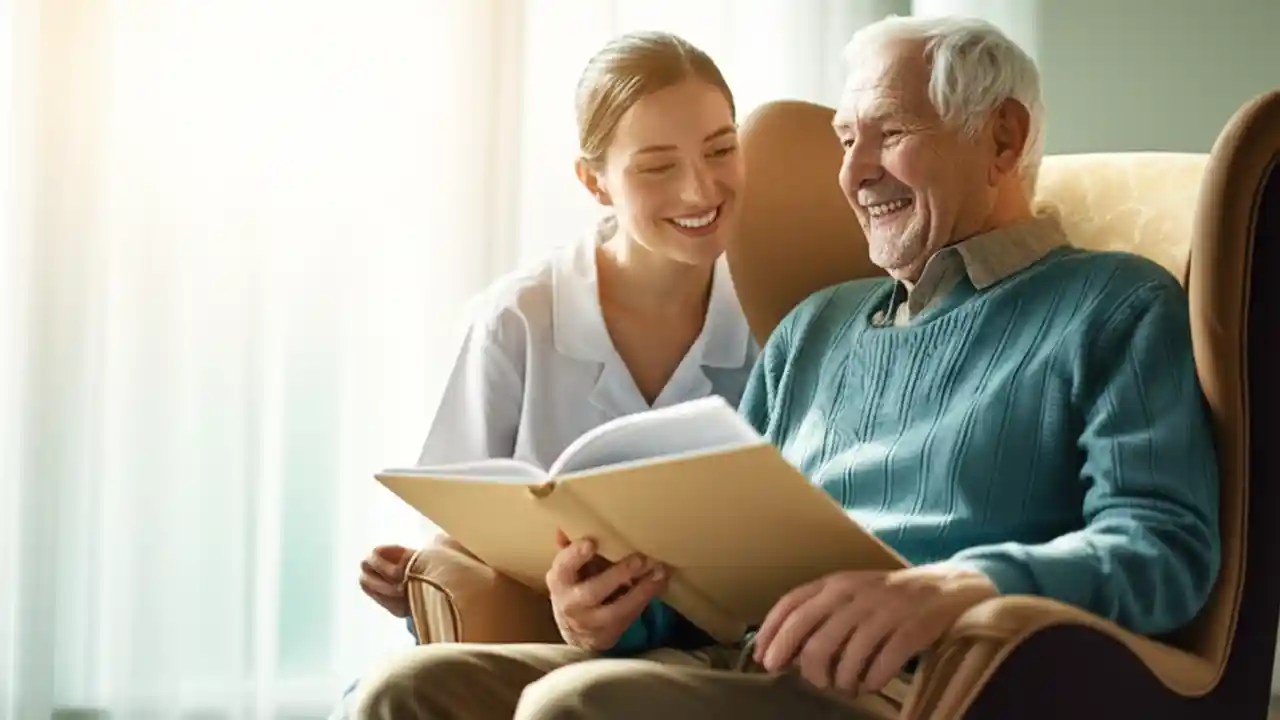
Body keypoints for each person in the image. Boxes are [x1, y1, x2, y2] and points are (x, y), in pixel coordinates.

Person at [356, 15, 1221, 720]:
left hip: (907, 683)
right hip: (735, 659)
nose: (853, 173)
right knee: (408, 690)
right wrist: (613, 608)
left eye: (892, 135)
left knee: (577, 708)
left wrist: (957, 587)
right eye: (848, 138)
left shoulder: (1116, 305)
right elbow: (715, 567)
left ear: (1002, 136)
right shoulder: (816, 325)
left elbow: (1164, 548)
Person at [341, 30, 758, 718]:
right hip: (547, 642)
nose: (701, 188)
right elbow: (459, 518)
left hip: (722, 655)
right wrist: (415, 580)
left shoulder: (779, 313)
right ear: (594, 180)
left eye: (721, 150)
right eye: (657, 166)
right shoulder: (518, 320)